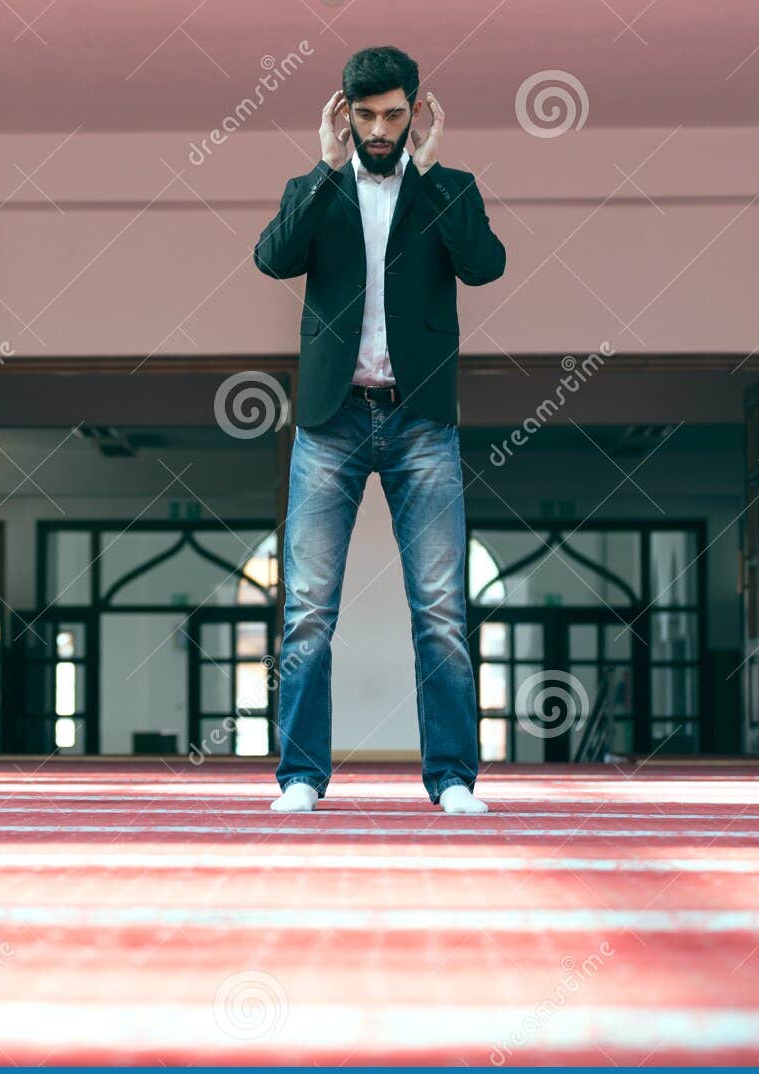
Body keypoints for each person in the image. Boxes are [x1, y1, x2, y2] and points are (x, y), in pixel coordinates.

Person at [252, 46, 506, 815]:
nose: (380, 128)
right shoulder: (318, 188)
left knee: (440, 608)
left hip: (420, 418)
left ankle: (453, 778)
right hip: (330, 421)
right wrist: (325, 166)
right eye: (366, 115)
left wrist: (429, 174)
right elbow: (273, 258)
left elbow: (485, 264)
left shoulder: (446, 189)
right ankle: (300, 776)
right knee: (306, 610)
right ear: (345, 113)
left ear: (415, 110)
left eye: (394, 115)